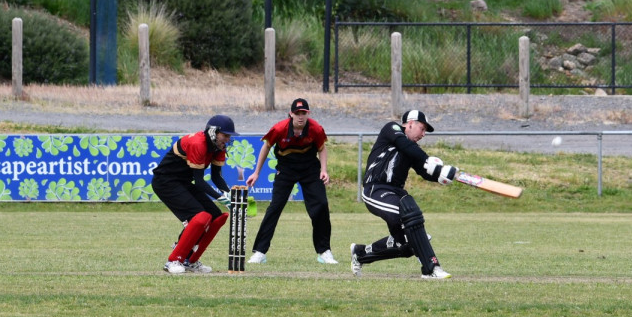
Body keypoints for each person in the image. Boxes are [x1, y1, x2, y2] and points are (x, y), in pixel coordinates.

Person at [348, 109, 457, 280]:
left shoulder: (413, 150)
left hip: (397, 192)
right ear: (410, 123)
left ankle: (360, 254)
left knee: (407, 246)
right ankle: (432, 268)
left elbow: (424, 171)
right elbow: (408, 147)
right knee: (412, 221)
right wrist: (427, 159)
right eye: (422, 128)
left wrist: (442, 176)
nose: (423, 134)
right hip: (375, 190)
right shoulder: (392, 129)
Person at [244, 97, 335, 265]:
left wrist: (323, 170)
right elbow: (266, 147)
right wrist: (256, 173)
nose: (301, 116)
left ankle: (324, 251)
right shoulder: (280, 128)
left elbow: (322, 148)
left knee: (321, 205)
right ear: (291, 114)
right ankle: (260, 252)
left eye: (304, 113)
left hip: (310, 168)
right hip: (286, 169)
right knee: (275, 207)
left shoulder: (315, 128)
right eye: (297, 113)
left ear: (308, 114)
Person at [152, 115, 237, 274]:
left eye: (229, 136)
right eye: (225, 135)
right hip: (166, 182)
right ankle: (173, 260)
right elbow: (199, 181)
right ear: (213, 132)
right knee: (198, 217)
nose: (227, 139)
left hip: (183, 182)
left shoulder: (218, 147)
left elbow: (216, 177)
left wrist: (230, 195)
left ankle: (190, 260)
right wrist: (221, 198)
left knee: (215, 215)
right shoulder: (198, 143)